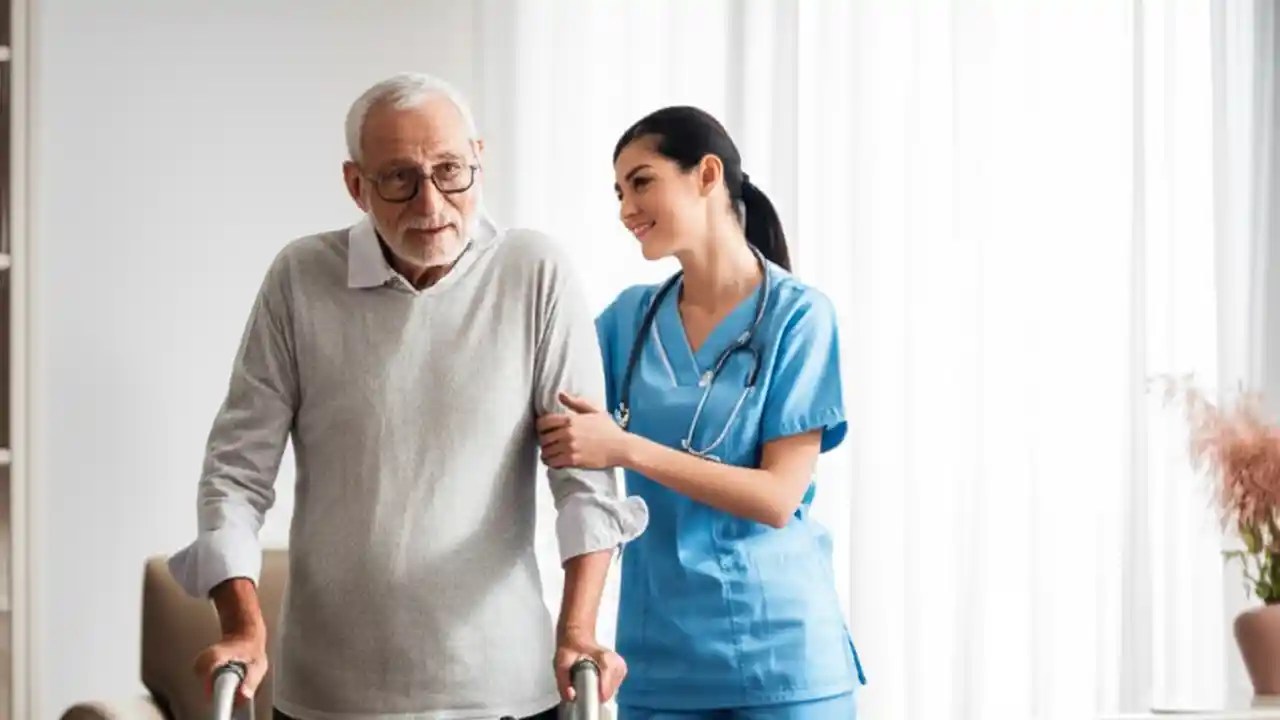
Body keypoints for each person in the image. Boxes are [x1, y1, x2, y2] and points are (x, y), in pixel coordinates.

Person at [166, 72, 648, 720]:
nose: (430, 203)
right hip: (330, 694)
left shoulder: (534, 272)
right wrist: (242, 626)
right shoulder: (301, 278)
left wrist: (578, 629)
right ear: (356, 184)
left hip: (501, 685)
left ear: (479, 159)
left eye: (450, 171)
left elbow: (584, 478)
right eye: (399, 178)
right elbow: (235, 474)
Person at [535, 106, 866, 719]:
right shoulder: (627, 322)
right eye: (618, 192)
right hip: (659, 657)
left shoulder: (798, 317)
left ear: (707, 174)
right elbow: (547, 409)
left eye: (641, 182)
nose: (626, 209)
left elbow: (777, 497)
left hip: (782, 659)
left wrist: (626, 447)